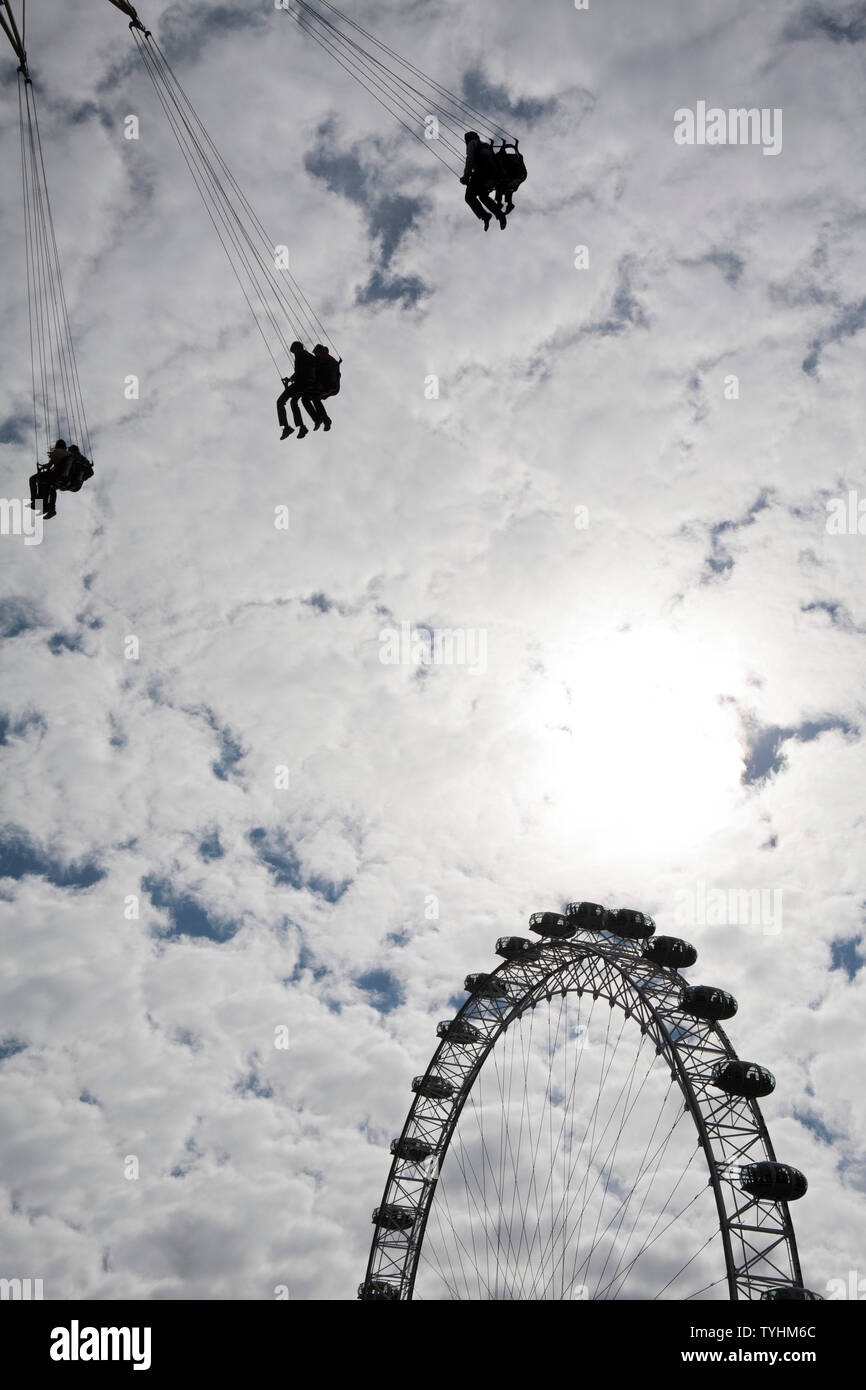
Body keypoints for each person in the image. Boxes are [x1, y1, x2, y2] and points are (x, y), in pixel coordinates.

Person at [460, 131, 506, 231]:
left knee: (469, 197)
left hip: (483, 169)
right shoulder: (485, 145)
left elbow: (470, 159)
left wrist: (466, 176)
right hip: (493, 171)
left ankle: (485, 216)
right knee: (483, 196)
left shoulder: (472, 143)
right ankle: (500, 214)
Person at [277, 341, 319, 439]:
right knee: (293, 402)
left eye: (294, 352)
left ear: (297, 349)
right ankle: (301, 427)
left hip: (302, 383)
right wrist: (291, 379)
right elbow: (303, 370)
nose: (294, 354)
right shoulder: (308, 355)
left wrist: (291, 380)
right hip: (308, 383)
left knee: (280, 402)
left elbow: (300, 371)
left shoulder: (300, 355)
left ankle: (287, 427)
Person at [28, 438, 67, 519]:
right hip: (62, 476)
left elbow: (49, 466)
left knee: (32, 479)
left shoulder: (56, 452)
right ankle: (48, 507)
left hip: (55, 474)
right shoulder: (69, 454)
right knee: (50, 487)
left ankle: (36, 500)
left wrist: (42, 467)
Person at [307, 345, 342, 432]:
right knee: (307, 398)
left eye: (316, 353)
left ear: (320, 352)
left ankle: (325, 420)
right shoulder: (321, 360)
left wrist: (321, 384)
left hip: (331, 387)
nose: (316, 355)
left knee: (315, 397)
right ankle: (320, 419)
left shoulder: (330, 362)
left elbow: (332, 376)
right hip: (327, 386)